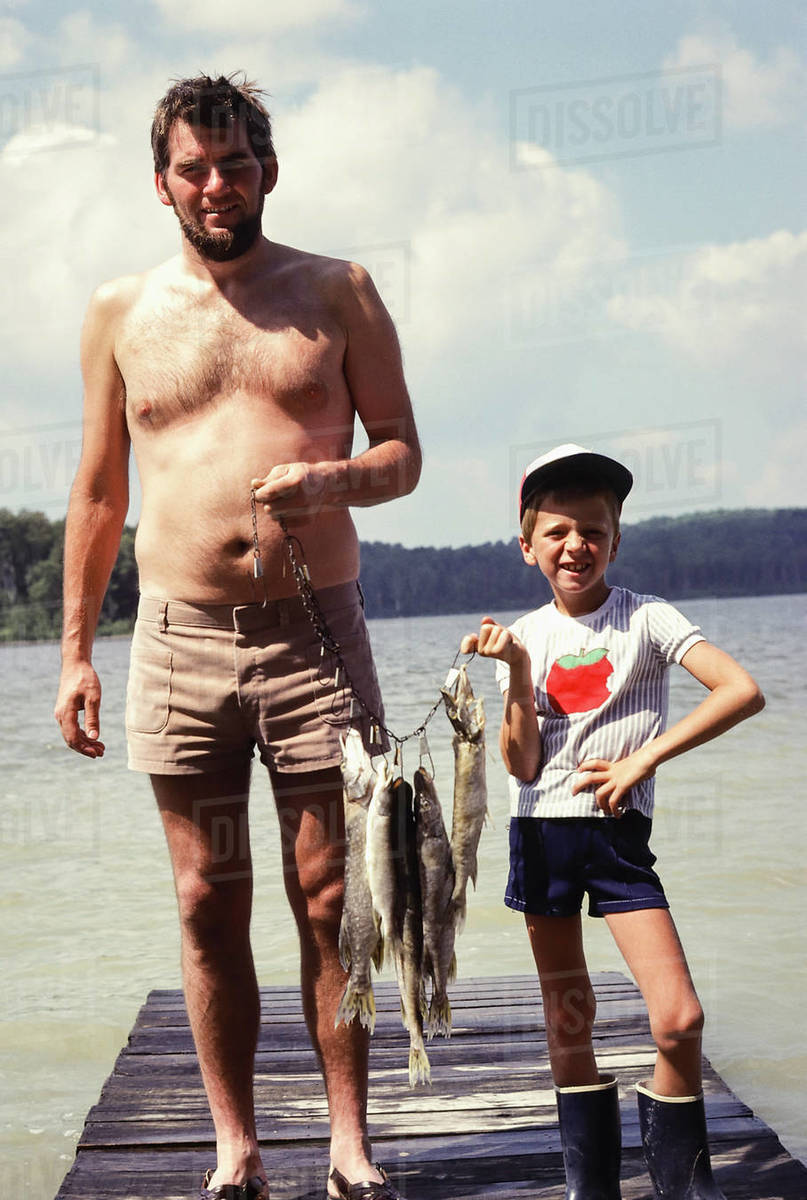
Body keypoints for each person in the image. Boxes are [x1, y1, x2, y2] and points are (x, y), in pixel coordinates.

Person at [54, 73, 421, 1200]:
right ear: (162, 181)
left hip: (317, 634)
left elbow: (404, 452)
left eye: (235, 163)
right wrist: (73, 650)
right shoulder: (122, 312)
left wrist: (335, 478)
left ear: (270, 168)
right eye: (193, 167)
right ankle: (237, 1147)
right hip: (178, 641)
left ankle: (348, 1140)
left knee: (333, 898)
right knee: (208, 898)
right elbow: (101, 493)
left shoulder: (338, 291)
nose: (216, 184)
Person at [461, 443, 764, 1200]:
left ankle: (682, 1186)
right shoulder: (522, 637)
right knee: (571, 1023)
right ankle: (587, 1190)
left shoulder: (649, 618)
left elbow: (739, 690)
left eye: (592, 530)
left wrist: (641, 760)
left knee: (678, 1019)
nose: (576, 546)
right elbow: (521, 766)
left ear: (615, 540)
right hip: (542, 838)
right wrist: (519, 675)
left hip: (619, 839)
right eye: (557, 532)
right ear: (527, 547)